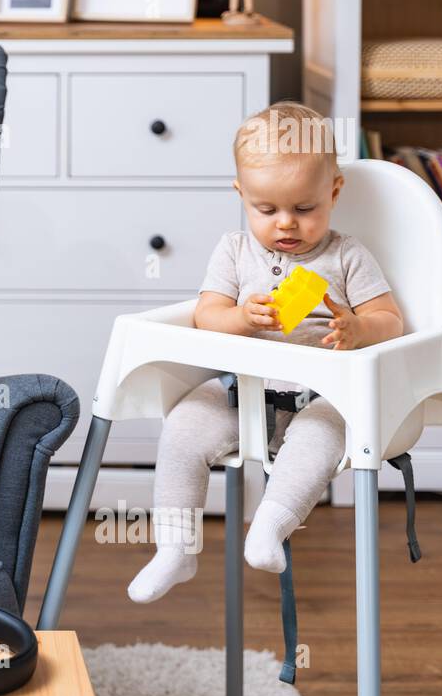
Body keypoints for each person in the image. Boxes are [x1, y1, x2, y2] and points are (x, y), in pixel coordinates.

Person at [128, 101, 405, 603]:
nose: (286, 225)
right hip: (243, 393)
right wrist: (241, 318)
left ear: (334, 192)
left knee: (322, 436)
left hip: (321, 396)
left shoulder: (346, 255)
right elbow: (205, 315)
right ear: (242, 196)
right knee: (184, 425)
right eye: (267, 210)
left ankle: (269, 527)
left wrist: (357, 327)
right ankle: (175, 547)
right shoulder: (234, 251)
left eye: (304, 209)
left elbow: (392, 320)